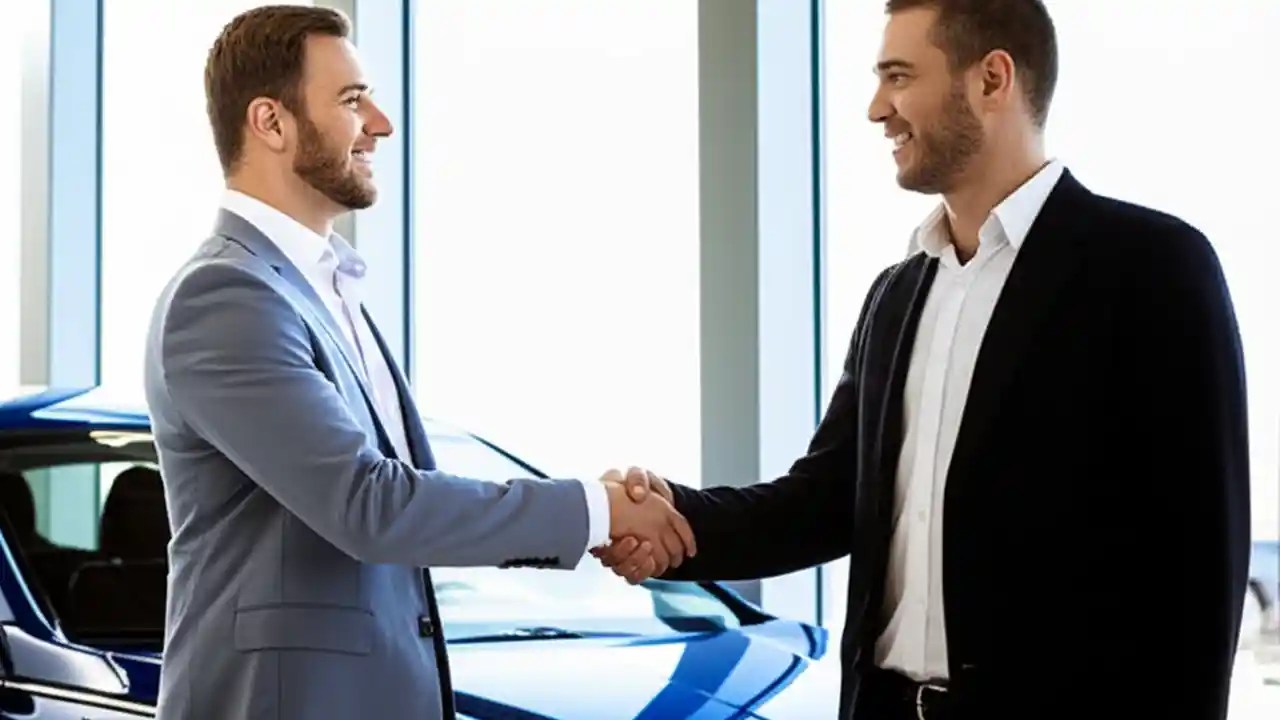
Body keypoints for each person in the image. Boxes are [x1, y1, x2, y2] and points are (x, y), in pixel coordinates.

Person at [596, 0, 1251, 718]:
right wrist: (668, 515)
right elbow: (823, 502)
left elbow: (1199, 569)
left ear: (992, 80)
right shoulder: (898, 294)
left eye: (899, 76)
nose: (878, 108)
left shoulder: (1153, 267)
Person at [142, 7, 694, 719]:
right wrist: (595, 508)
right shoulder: (224, 297)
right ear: (271, 123)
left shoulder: (322, 289)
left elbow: (414, 497)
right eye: (350, 100)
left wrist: (597, 511)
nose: (380, 122)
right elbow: (370, 504)